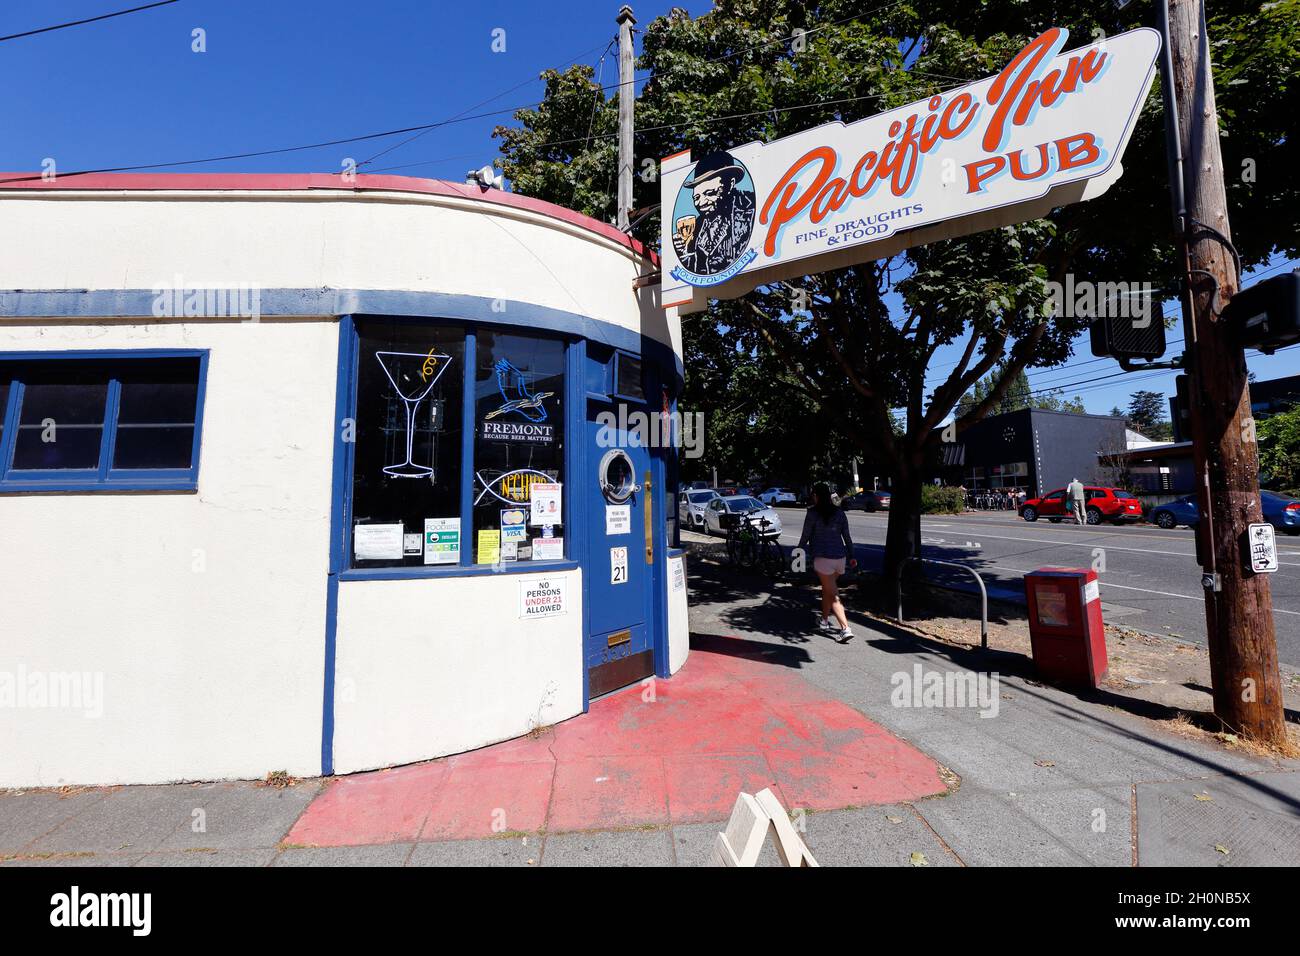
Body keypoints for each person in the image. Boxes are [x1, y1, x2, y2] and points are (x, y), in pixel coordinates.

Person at [798, 482, 857, 642]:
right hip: (840, 559)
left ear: (816, 496)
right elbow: (847, 537)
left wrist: (798, 554)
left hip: (823, 559)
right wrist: (852, 556)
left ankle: (845, 628)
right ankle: (824, 621)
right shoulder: (839, 513)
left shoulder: (812, 513)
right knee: (828, 589)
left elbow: (805, 536)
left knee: (834, 594)